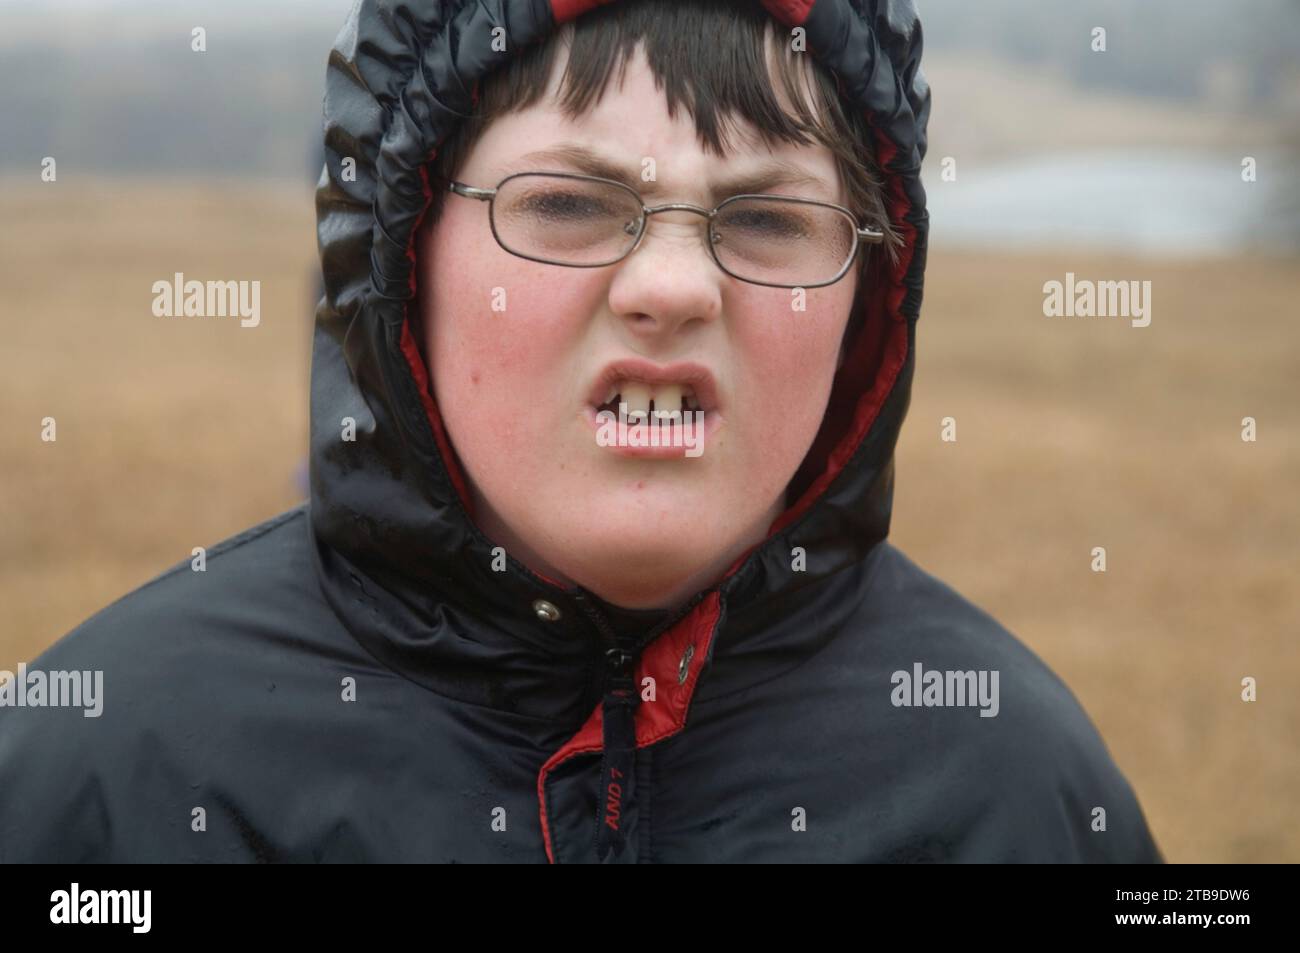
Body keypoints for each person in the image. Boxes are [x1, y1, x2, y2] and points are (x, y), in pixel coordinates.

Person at [0, 0, 1163, 863]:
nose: (671, 286)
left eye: (765, 217)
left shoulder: (1022, 791)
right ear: (401, 263)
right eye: (563, 205)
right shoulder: (102, 777)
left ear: (871, 294)